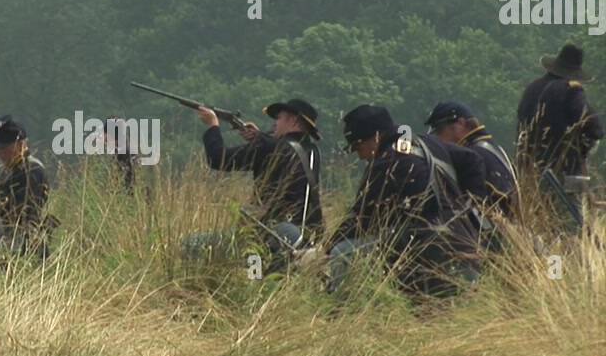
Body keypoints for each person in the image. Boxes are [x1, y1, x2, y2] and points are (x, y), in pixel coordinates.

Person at [327, 105, 483, 298]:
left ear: (375, 138)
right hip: (466, 248)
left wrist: (324, 251)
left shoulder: (385, 163)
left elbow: (359, 221)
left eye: (358, 146)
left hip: (429, 260)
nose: (359, 155)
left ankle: (342, 310)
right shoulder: (427, 143)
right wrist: (467, 204)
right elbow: (472, 158)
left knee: (342, 253)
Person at [191, 98, 323, 263]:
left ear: (293, 120)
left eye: (279, 118)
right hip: (304, 237)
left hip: (271, 234)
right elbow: (281, 149)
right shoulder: (312, 152)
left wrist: (213, 126)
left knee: (191, 245)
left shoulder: (268, 147)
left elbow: (218, 159)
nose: (275, 123)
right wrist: (260, 137)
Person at [517, 43, 603, 231]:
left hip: (529, 172)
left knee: (538, 227)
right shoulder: (572, 90)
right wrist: (582, 151)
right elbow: (595, 130)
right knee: (572, 227)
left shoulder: (531, 89)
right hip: (567, 171)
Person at [0, 115, 52, 258]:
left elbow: (21, 210)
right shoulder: (11, 171)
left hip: (24, 241)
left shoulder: (32, 170)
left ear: (21, 145)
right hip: (6, 236)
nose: (1, 154)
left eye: (6, 149)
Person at [426, 102, 519, 220]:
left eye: (440, 131)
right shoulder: (492, 148)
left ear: (461, 123)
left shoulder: (472, 155)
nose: (438, 139)